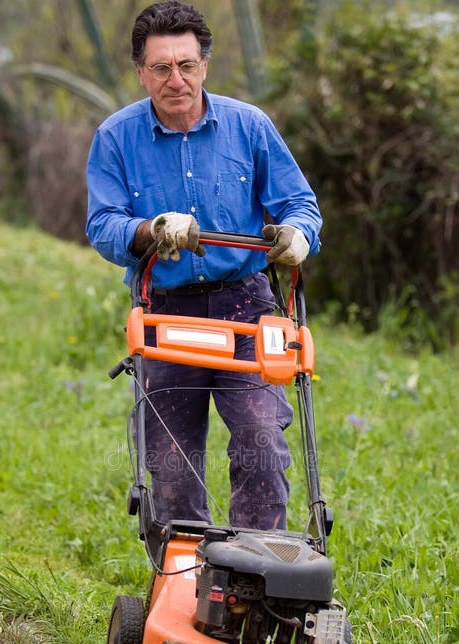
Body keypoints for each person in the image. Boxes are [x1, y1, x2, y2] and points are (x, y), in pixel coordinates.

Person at [86, 0, 322, 531]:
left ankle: (256, 568)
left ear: (205, 65)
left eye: (186, 65)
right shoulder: (116, 138)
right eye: (161, 68)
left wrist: (297, 234)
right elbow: (103, 226)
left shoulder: (249, 127)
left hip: (247, 308)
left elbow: (299, 204)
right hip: (166, 312)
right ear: (141, 72)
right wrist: (150, 229)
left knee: (262, 443)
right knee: (171, 464)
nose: (176, 80)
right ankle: (184, 569)